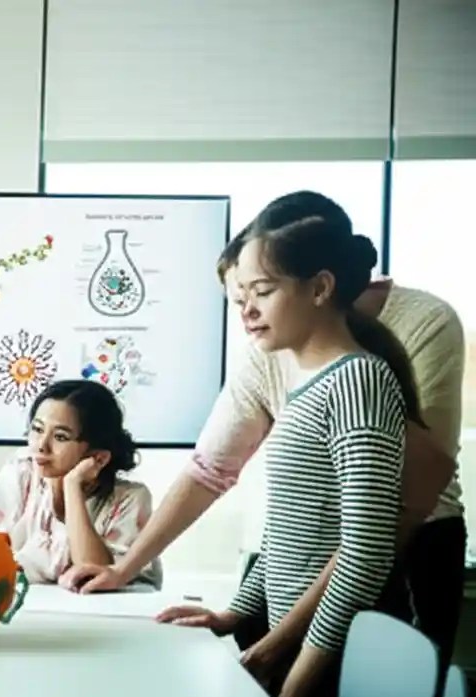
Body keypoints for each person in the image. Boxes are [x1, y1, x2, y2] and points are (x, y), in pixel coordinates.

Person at [62, 192, 467, 670]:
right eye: (241, 296)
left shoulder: (383, 355)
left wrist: (289, 655)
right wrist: (124, 570)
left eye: (262, 289)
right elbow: (214, 471)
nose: (247, 312)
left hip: (412, 543)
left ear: (318, 283)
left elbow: (383, 523)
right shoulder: (282, 346)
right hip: (316, 564)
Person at [0, 380, 161, 588]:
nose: (41, 446)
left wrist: (72, 485)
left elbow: (94, 576)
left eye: (60, 437)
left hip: (107, 612)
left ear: (99, 457)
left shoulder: (130, 499)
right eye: (37, 429)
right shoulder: (22, 472)